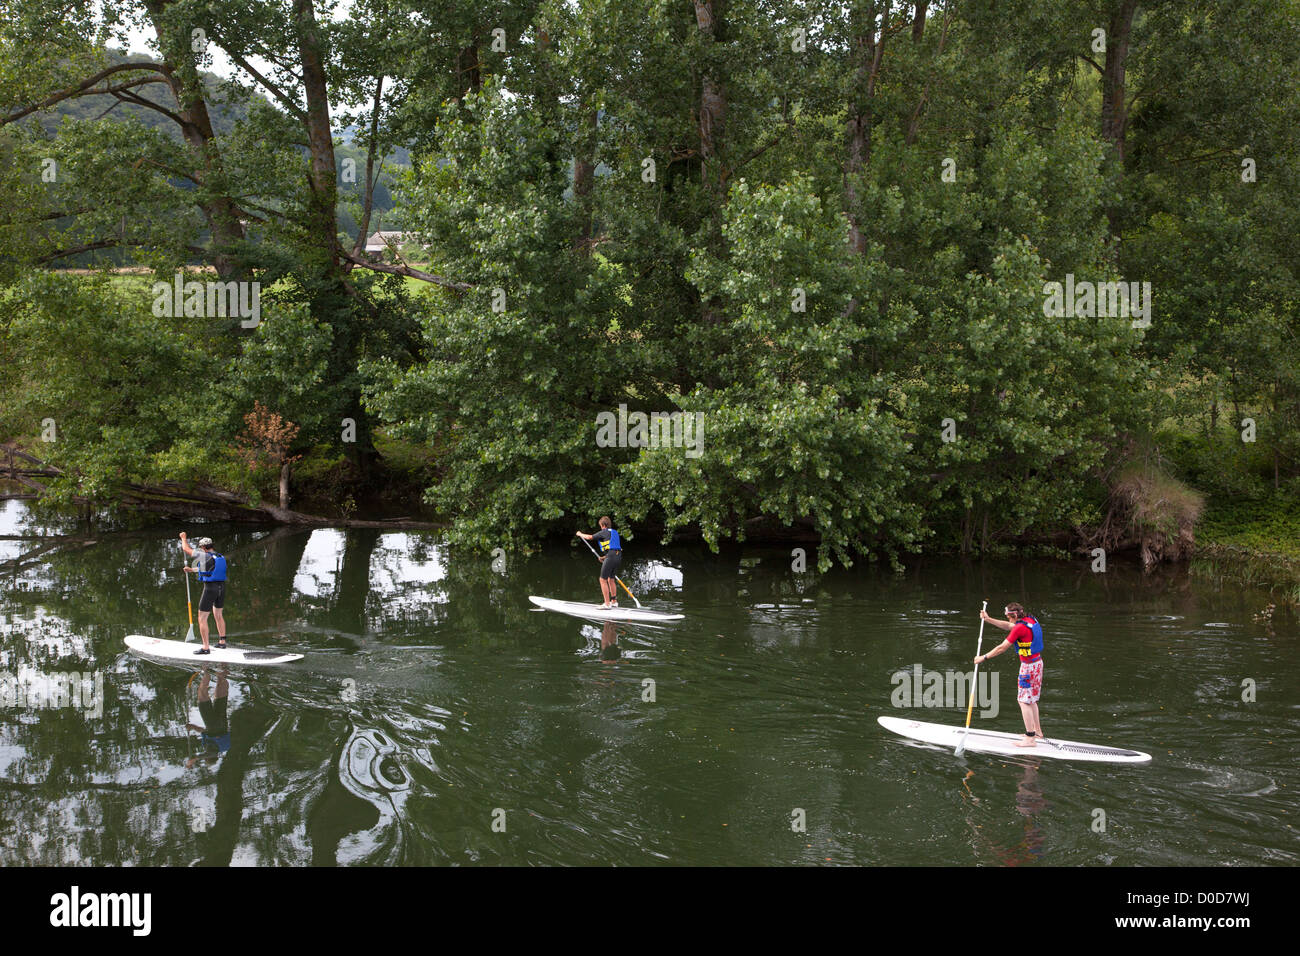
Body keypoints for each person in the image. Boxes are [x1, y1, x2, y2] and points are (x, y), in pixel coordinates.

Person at [976, 602, 1044, 747]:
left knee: (1023, 701)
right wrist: (988, 619)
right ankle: (1037, 732)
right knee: (1031, 700)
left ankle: (1030, 738)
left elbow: (1001, 648)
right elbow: (1009, 626)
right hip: (1038, 664)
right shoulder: (1029, 620)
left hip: (1028, 669)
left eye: (1008, 617)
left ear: (1013, 615)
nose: (1007, 620)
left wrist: (983, 657)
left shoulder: (1019, 627)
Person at [180, 532, 228, 655]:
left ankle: (206, 648)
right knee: (218, 615)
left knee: (202, 618)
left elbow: (186, 549)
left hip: (210, 588)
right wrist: (192, 570)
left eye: (201, 547)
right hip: (221, 588)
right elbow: (211, 569)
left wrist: (183, 538)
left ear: (203, 547)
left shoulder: (203, 555)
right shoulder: (219, 556)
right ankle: (222, 642)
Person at [576, 517, 622, 608]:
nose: (601, 528)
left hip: (611, 556)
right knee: (611, 579)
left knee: (602, 579)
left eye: (601, 526)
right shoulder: (614, 532)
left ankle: (607, 604)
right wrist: (604, 557)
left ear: (603, 525)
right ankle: (614, 601)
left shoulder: (604, 531)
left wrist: (580, 534)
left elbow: (590, 537)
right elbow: (614, 548)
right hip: (618, 556)